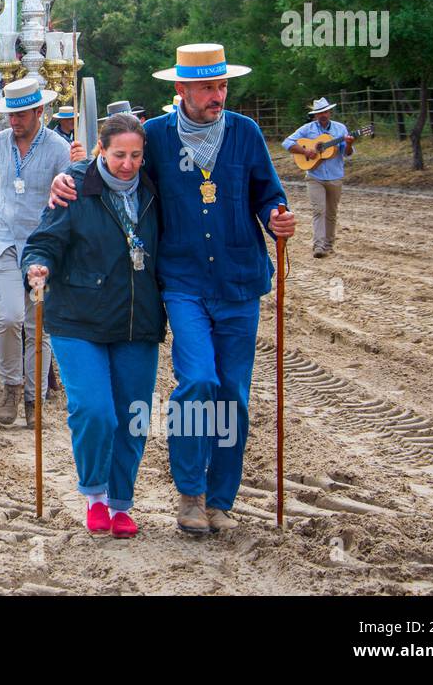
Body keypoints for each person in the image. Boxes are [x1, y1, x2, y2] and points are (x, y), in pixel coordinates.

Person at [50, 43, 296, 536]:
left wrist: (276, 215)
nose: (218, 95)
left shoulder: (245, 134)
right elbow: (114, 163)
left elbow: (267, 191)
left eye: (222, 85)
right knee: (198, 382)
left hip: (239, 281)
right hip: (182, 282)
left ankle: (221, 498)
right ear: (181, 89)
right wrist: (68, 176)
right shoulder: (157, 138)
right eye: (208, 86)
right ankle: (191, 493)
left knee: (234, 396)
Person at [23, 112, 165, 537]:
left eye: (135, 155)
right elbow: (42, 241)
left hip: (137, 319)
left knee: (132, 415)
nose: (127, 164)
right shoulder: (74, 188)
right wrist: (37, 266)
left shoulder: (156, 189)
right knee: (95, 411)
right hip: (78, 319)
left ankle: (121, 504)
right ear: (101, 149)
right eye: (119, 154)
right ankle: (95, 495)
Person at [0, 77, 72, 428]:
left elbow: (69, 197)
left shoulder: (59, 148)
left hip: (42, 244)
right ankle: (11, 386)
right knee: (10, 317)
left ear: (39, 111)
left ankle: (35, 399)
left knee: (38, 325)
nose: (13, 122)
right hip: (2, 240)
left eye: (20, 115)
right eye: (9, 115)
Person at [283, 97, 354, 259]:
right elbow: (287, 143)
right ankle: (319, 246)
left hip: (335, 176)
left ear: (330, 112)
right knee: (318, 210)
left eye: (326, 111)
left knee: (331, 212)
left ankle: (329, 244)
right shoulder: (307, 129)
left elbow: (347, 153)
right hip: (315, 176)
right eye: (320, 112)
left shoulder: (340, 129)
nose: (323, 115)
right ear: (315, 115)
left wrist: (349, 143)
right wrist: (305, 151)